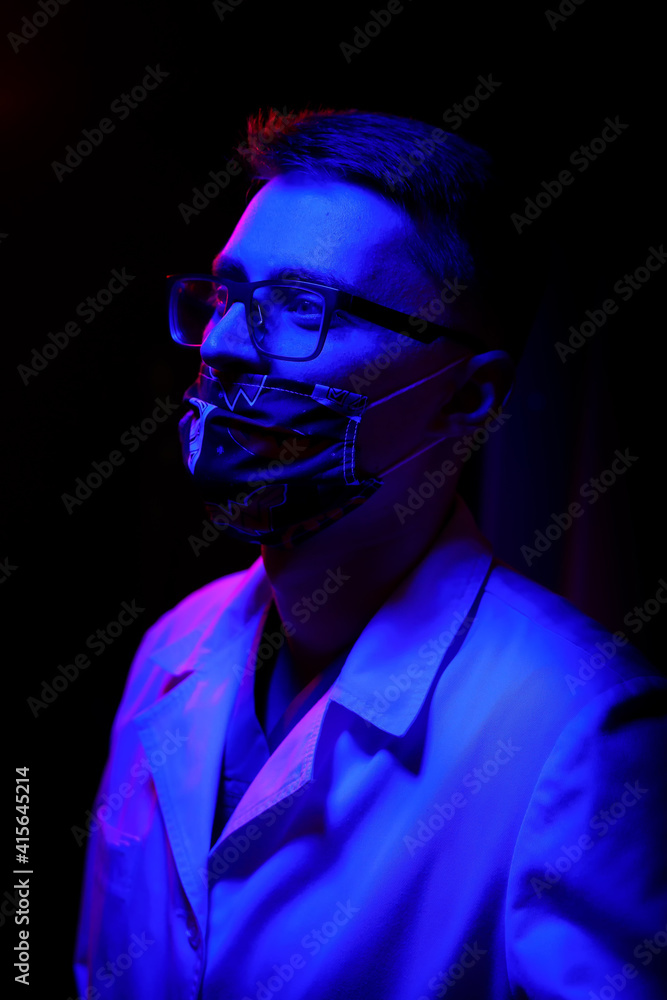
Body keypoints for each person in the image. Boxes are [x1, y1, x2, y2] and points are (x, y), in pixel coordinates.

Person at [74, 108, 667, 1000]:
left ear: (468, 397)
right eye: (230, 295)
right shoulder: (172, 646)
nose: (228, 344)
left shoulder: (581, 730)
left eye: (303, 307)